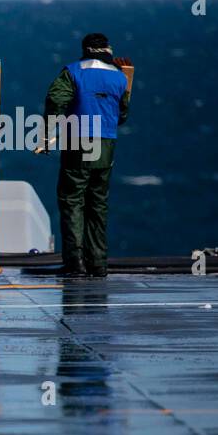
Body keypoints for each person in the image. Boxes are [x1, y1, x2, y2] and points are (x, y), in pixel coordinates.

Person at [44, 33, 130, 277]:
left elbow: (55, 100)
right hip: (106, 146)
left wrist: (47, 132)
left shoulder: (73, 71)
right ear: (107, 49)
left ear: (86, 49)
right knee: (98, 204)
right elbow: (122, 115)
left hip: (78, 142)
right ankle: (98, 264)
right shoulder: (119, 76)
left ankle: (76, 263)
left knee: (72, 202)